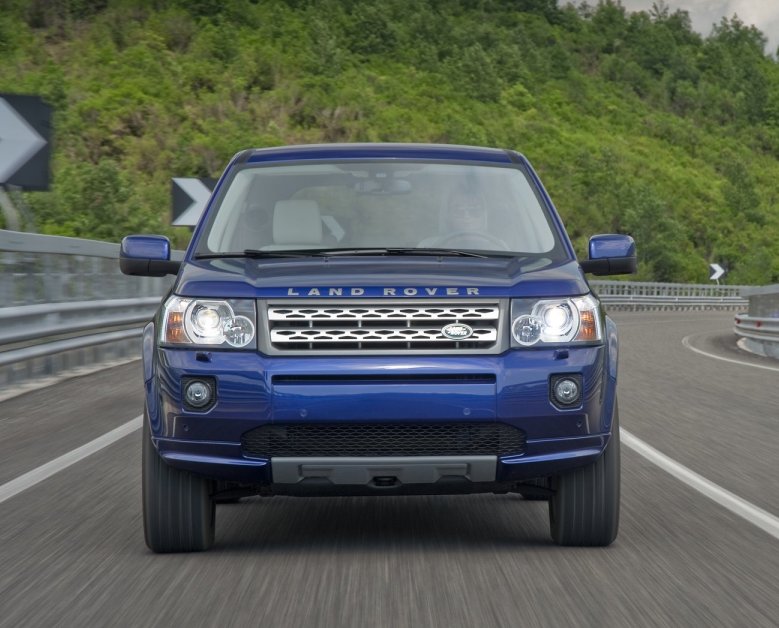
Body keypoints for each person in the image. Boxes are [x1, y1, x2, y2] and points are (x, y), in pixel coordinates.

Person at [418, 187, 506, 248]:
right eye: (459, 211)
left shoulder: (499, 246)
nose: (466, 216)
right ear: (448, 215)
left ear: (484, 215)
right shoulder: (428, 246)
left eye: (474, 210)